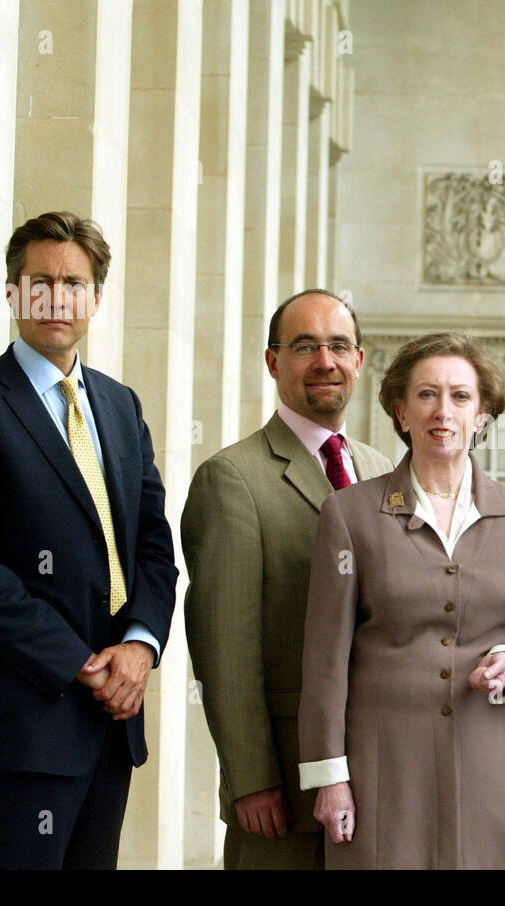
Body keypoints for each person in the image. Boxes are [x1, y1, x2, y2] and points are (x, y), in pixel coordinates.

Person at [0, 211, 178, 869]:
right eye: (40, 281)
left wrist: (140, 647)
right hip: (29, 714)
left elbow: (153, 542)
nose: (56, 298)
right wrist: (82, 662)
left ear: (96, 299)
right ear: (13, 292)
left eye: (74, 283)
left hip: (115, 716)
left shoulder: (120, 406)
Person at [297, 332, 505, 869]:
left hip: (493, 763)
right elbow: (325, 659)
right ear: (400, 410)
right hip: (385, 768)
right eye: (426, 395)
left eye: (461, 396)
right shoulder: (349, 514)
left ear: (483, 413)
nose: (443, 411)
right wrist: (331, 778)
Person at [181, 290, 393, 869]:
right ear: (274, 362)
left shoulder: (385, 473)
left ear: (360, 360)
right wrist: (249, 779)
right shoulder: (232, 478)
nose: (325, 361)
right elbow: (224, 646)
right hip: (282, 792)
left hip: (380, 779)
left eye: (338, 346)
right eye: (305, 347)